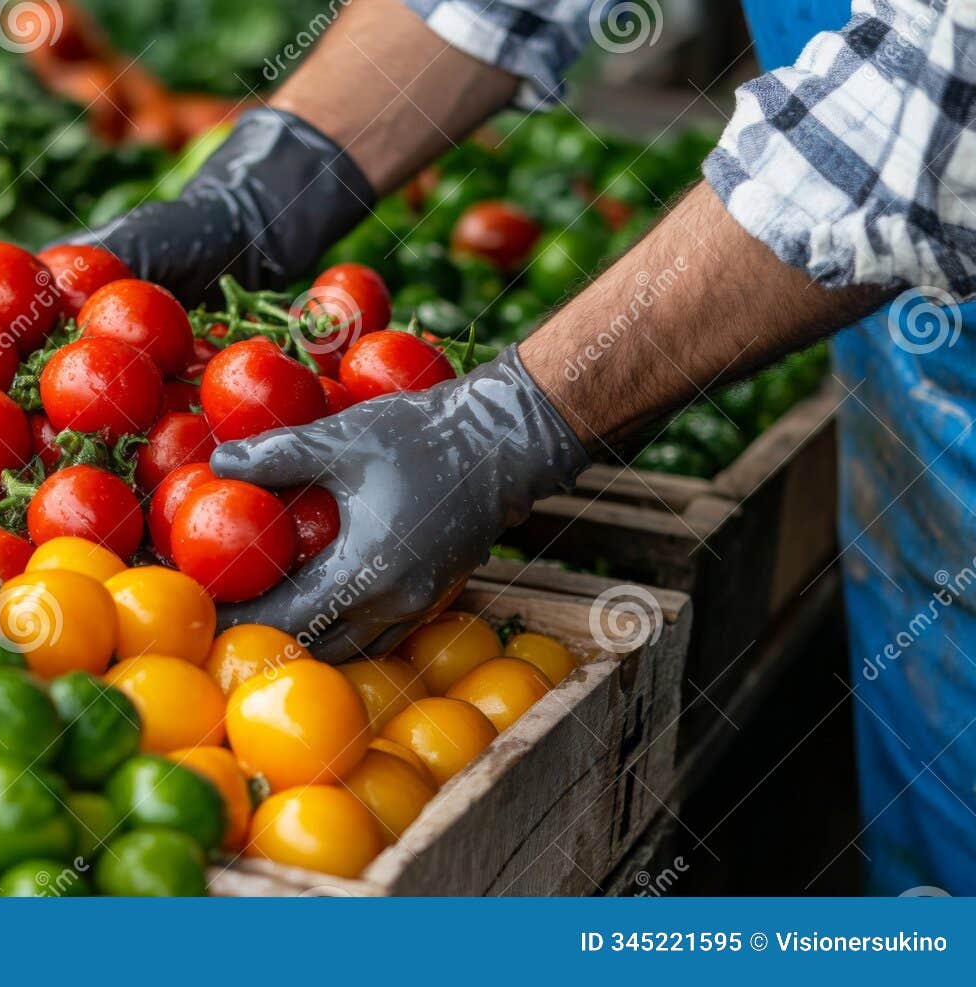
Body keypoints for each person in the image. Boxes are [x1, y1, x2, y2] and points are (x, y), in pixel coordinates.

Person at [64, 0, 976, 895]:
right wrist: (268, 177)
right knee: (930, 765)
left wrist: (511, 420)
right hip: (893, 316)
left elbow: (941, 101)